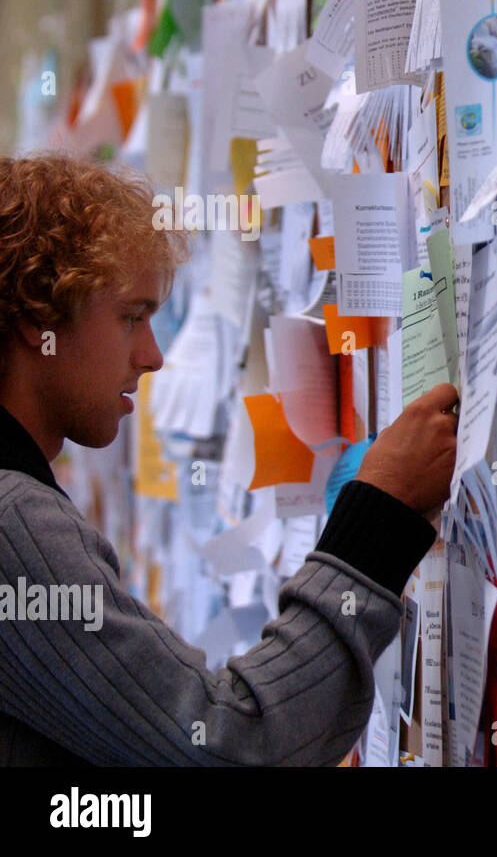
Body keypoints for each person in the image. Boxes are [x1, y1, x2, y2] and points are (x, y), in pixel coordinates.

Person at [0, 154, 458, 765]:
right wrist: (378, 520)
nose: (153, 355)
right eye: (131, 317)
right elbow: (229, 745)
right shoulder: (14, 527)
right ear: (37, 321)